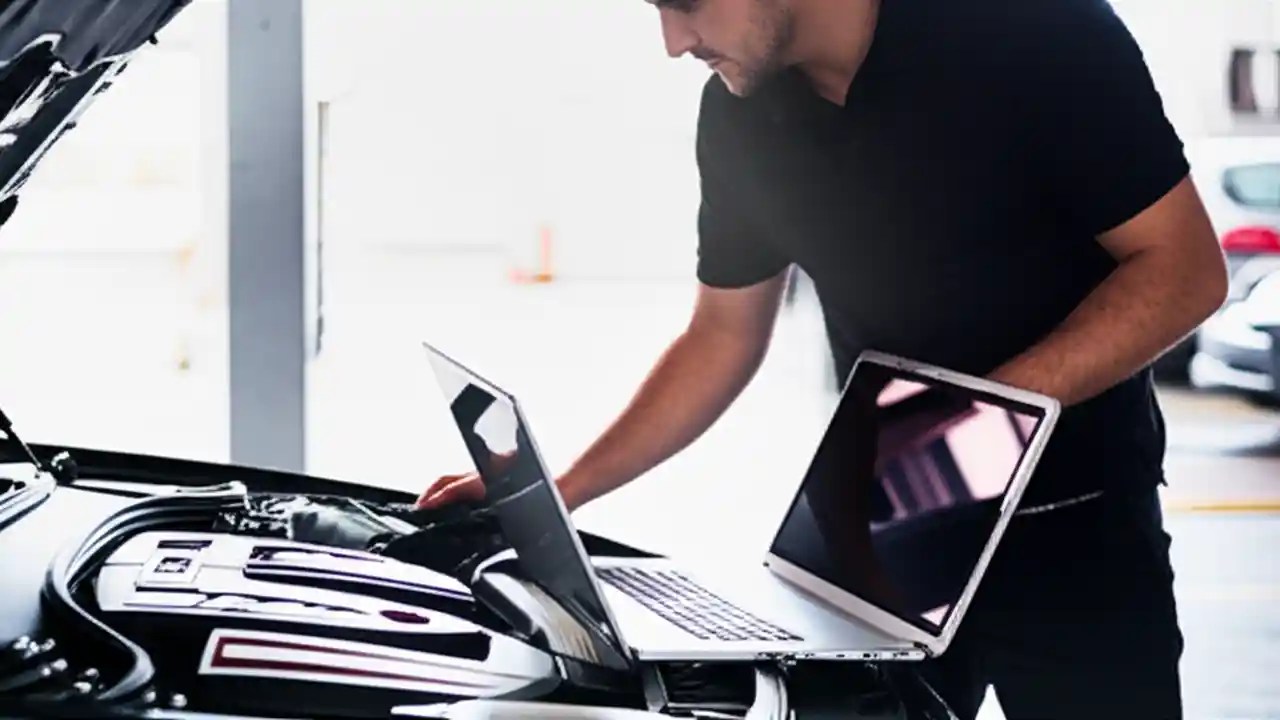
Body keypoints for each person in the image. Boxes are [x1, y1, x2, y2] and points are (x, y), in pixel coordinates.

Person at [420, 0, 1229, 716]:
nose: (673, 42)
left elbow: (1185, 269)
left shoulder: (1040, 32)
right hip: (886, 540)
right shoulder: (738, 115)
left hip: (1075, 536)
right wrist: (558, 494)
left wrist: (960, 428)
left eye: (687, 5)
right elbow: (723, 336)